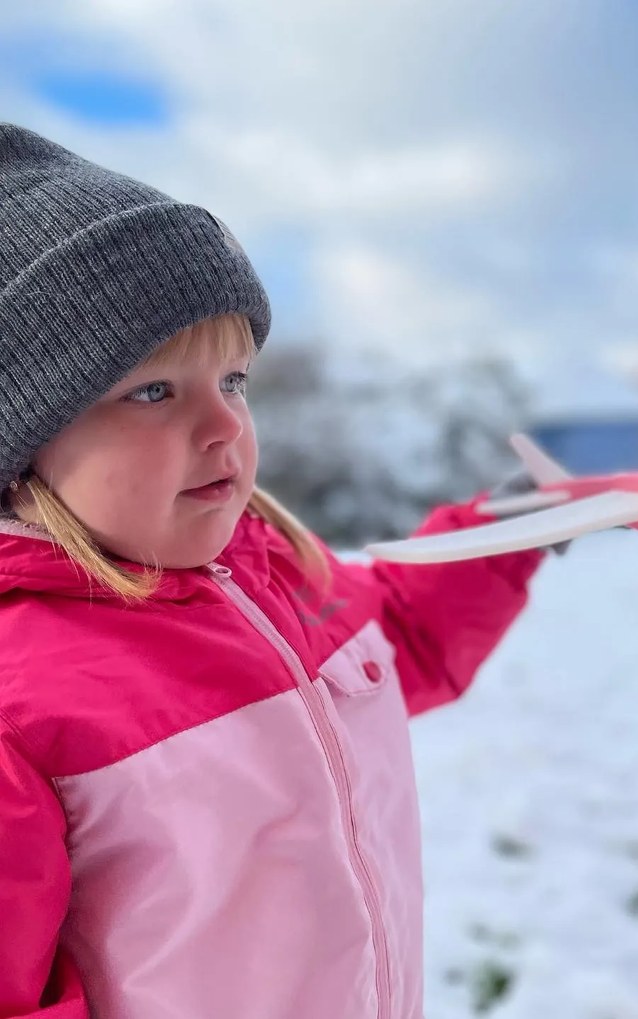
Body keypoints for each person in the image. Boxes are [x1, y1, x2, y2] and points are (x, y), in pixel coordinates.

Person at [0, 123, 545, 1019]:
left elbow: (396, 636)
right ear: (25, 441)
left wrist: (509, 533)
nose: (225, 428)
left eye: (237, 381)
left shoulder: (270, 575)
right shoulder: (23, 696)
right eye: (154, 390)